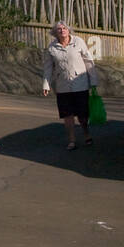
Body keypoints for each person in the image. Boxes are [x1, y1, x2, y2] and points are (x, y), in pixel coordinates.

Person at [42, 20, 98, 150]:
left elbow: (89, 61)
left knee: (82, 115)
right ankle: (72, 140)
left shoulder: (78, 42)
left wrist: (93, 80)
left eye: (64, 28)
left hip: (80, 84)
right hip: (63, 86)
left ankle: (86, 133)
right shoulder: (52, 47)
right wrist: (46, 84)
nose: (62, 31)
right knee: (67, 115)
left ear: (68, 30)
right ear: (55, 32)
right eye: (59, 29)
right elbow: (48, 68)